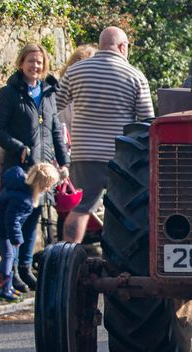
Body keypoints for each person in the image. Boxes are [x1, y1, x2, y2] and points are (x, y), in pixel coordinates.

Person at [59, 26, 154, 243]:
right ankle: (114, 260)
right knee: (121, 210)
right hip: (121, 156)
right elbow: (147, 121)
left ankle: (68, 252)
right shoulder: (135, 76)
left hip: (84, 153)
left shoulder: (75, 71)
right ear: (122, 47)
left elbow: (55, 105)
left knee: (83, 206)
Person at [0, 43, 69, 290]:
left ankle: (25, 268)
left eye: (39, 62)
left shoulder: (48, 92)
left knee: (33, 219)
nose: (35, 66)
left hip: (43, 171)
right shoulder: (10, 93)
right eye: (31, 61)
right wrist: (19, 147)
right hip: (21, 169)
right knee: (17, 219)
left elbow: (55, 130)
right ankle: (11, 273)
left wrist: (64, 162)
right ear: (21, 63)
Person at [0, 163, 61, 302]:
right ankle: (3, 289)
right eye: (47, 186)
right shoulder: (23, 199)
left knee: (12, 255)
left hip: (1, 226)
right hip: (0, 228)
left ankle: (8, 286)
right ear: (41, 185)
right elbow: (12, 220)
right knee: (8, 256)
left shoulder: (21, 188)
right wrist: (17, 239)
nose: (49, 189)